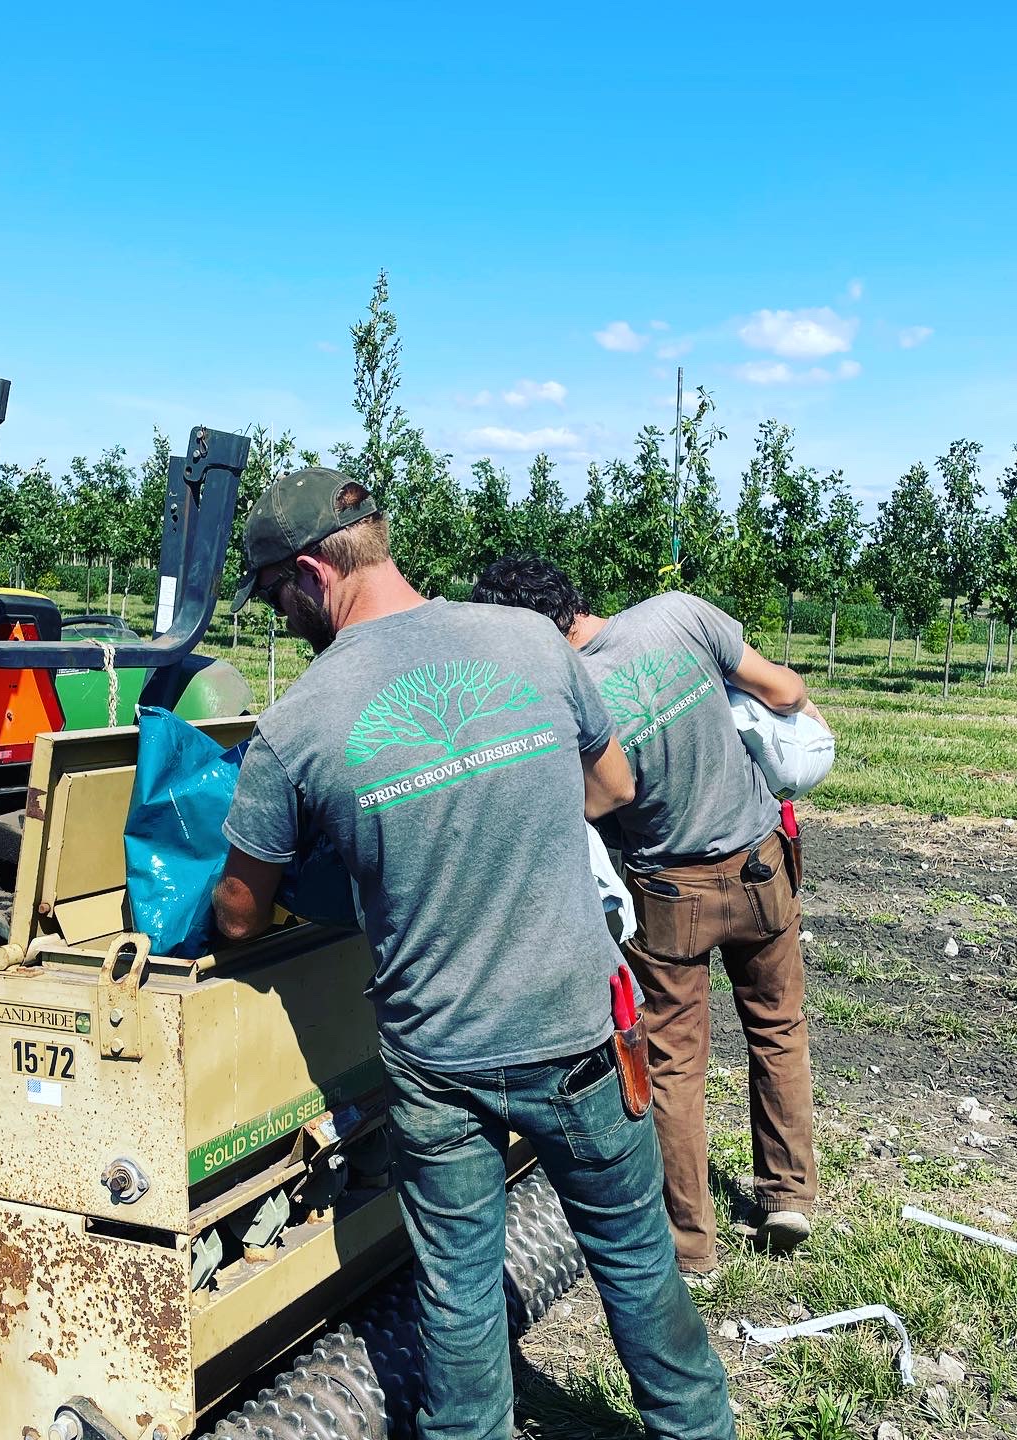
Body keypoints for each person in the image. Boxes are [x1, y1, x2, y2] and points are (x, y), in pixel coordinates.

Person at [212, 470, 735, 1440]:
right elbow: (612, 787)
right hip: (580, 1036)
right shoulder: (528, 638)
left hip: (440, 1070)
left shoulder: (294, 732)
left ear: (314, 570)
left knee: (458, 1306)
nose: (283, 620)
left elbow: (241, 917)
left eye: (279, 597)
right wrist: (507, 801)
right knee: (637, 1269)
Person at [473, 555, 820, 1278]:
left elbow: (601, 799)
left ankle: (691, 1247)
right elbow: (785, 689)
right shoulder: (679, 614)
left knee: (673, 1066)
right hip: (760, 864)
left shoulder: (571, 695)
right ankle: (788, 1195)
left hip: (671, 893)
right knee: (778, 1029)